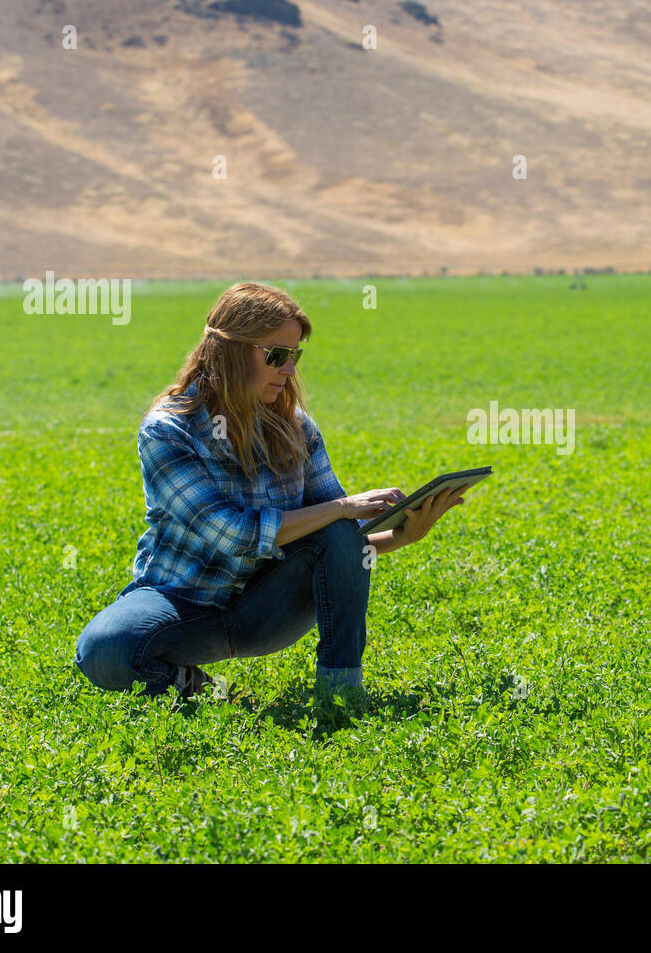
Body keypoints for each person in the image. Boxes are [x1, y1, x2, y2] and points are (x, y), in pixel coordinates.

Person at [73, 282, 465, 702]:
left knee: (336, 528)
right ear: (230, 352)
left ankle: (340, 695)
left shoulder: (295, 426)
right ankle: (196, 687)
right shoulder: (168, 431)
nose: (289, 370)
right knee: (103, 650)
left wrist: (401, 535)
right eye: (276, 356)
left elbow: (337, 544)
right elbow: (232, 534)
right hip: (182, 604)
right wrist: (342, 507)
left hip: (266, 609)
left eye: (294, 356)